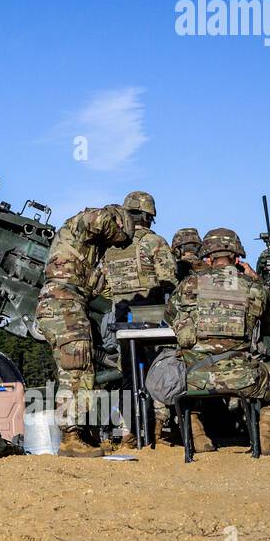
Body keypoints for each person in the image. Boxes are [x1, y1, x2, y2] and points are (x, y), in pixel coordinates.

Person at [167, 228, 270, 455]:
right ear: (237, 258)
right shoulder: (251, 287)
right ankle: (265, 439)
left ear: (209, 258)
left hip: (195, 378)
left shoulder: (190, 285)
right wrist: (255, 278)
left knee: (179, 381)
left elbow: (169, 314)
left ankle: (199, 438)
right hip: (242, 378)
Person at [36, 205, 134, 457]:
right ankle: (70, 438)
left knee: (85, 369)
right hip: (63, 302)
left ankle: (82, 433)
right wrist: (120, 230)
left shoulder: (85, 245)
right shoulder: (84, 221)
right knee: (76, 370)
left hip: (69, 302)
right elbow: (99, 221)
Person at [96, 191, 177, 448]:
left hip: (122, 318)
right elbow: (169, 282)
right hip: (152, 316)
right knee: (159, 369)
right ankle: (160, 430)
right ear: (149, 216)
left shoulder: (111, 248)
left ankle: (128, 432)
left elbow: (103, 287)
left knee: (129, 377)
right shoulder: (155, 242)